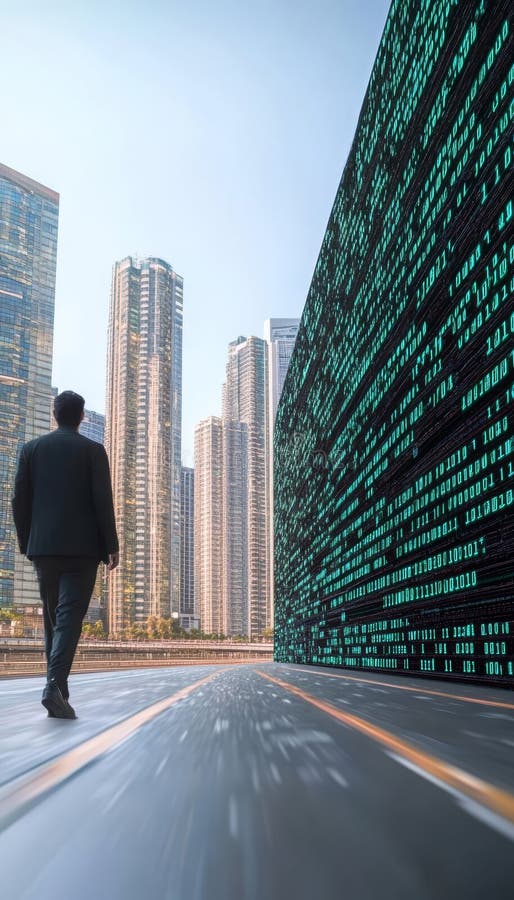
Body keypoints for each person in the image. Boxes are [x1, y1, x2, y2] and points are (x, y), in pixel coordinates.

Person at [11, 390, 119, 719]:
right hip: (83, 552)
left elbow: (18, 501)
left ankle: (58, 688)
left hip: (44, 549)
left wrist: (28, 542)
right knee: (69, 620)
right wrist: (111, 545)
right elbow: (103, 501)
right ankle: (54, 686)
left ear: (54, 414)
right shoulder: (93, 450)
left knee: (53, 621)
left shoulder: (30, 450)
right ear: (82, 416)